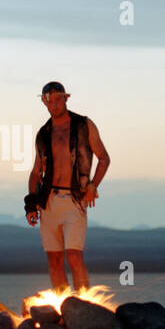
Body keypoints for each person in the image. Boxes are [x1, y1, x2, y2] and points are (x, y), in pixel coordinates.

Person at [25, 81, 110, 293]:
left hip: (74, 199)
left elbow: (104, 159)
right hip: (49, 201)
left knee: (73, 256)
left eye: (57, 99)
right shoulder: (43, 133)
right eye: (48, 101)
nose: (53, 104)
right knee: (54, 259)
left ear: (66, 98)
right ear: (44, 103)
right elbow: (36, 172)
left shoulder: (84, 125)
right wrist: (31, 203)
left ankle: (84, 303)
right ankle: (64, 304)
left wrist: (92, 186)